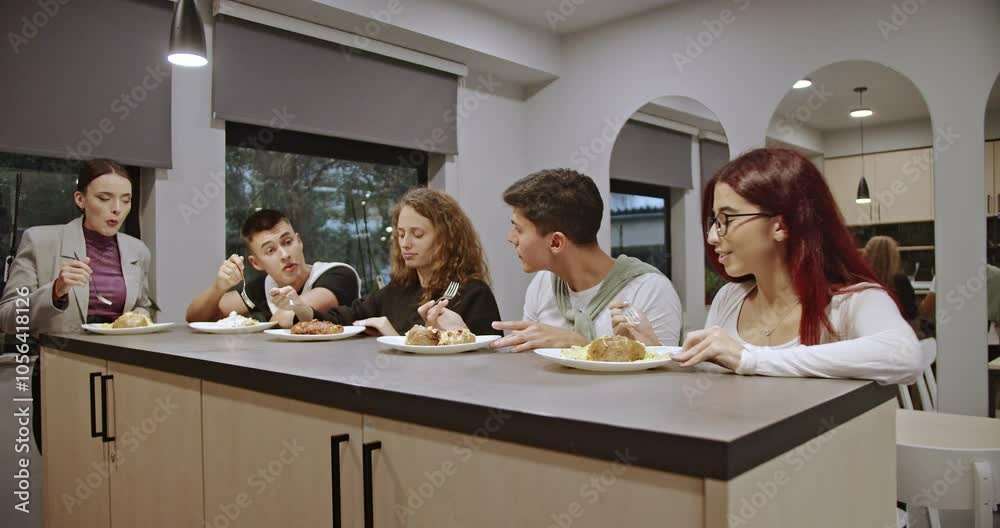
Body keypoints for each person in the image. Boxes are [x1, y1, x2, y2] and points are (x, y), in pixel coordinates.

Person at [622, 148, 929, 385]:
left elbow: (904, 355)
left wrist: (750, 359)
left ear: (781, 226)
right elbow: (711, 381)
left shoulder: (853, 302)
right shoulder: (729, 299)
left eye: (726, 219)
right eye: (713, 221)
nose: (713, 236)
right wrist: (653, 350)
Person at [0, 158, 153, 453]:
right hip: (61, 372)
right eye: (104, 198)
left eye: (126, 200)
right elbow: (7, 316)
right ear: (80, 199)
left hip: (122, 373)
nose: (117, 209)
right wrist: (55, 291)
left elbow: (143, 306)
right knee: (66, 464)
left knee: (122, 466)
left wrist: (137, 317)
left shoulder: (137, 250)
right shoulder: (41, 241)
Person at [489, 168, 682, 352]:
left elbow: (661, 372)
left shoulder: (650, 290)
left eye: (519, 229)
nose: (511, 238)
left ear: (556, 242)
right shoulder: (542, 284)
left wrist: (578, 344)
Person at [315, 188, 501, 336]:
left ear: (447, 239)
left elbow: (487, 361)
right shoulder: (399, 289)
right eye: (401, 234)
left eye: (417, 234)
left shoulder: (473, 294)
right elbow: (345, 317)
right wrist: (301, 311)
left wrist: (392, 337)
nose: (405, 243)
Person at [186, 209, 360, 327]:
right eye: (270, 250)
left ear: (299, 241)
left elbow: (288, 316)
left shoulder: (338, 274)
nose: (284, 255)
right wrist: (219, 288)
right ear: (256, 263)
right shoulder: (264, 286)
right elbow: (195, 318)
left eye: (288, 242)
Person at [863, 236, 918, 322]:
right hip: (896, 327)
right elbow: (911, 314)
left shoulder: (860, 280)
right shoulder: (900, 281)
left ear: (867, 255)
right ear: (893, 256)